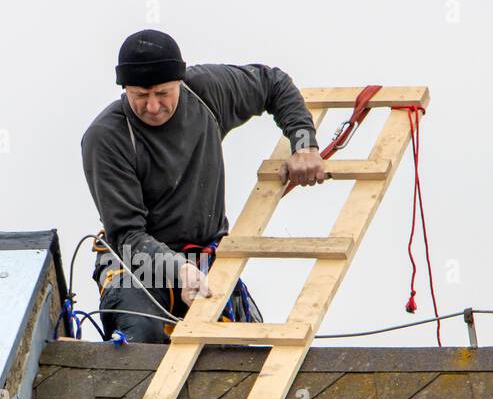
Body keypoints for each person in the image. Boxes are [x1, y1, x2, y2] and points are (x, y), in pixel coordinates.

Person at [80, 29, 325, 343]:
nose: (153, 107)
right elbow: (127, 235)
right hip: (137, 263)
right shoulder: (107, 137)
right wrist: (177, 269)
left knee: (232, 352)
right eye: (140, 96)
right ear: (124, 88)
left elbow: (273, 83)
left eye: (163, 93)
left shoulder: (206, 92)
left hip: (203, 255)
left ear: (180, 81)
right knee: (141, 337)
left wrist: (304, 144)